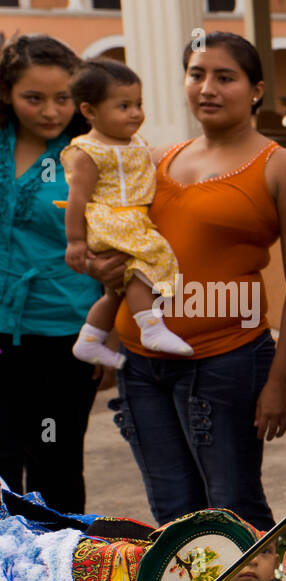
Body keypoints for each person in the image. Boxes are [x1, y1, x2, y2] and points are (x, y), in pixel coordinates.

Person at [101, 33, 286, 531]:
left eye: (225, 77)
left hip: (225, 362)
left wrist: (281, 380)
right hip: (140, 365)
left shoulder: (281, 166)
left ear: (256, 89)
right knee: (173, 515)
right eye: (197, 74)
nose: (208, 88)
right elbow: (124, 246)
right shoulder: (155, 158)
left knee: (234, 511)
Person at [0, 34, 104, 514]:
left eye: (62, 98)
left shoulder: (92, 157)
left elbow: (120, 244)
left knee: (55, 462)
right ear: (7, 93)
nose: (49, 111)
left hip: (65, 331)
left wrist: (113, 335)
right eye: (33, 98)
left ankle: (56, 576)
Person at [61, 58, 191, 368]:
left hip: (131, 217)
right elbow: (76, 200)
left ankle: (89, 339)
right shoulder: (89, 151)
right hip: (112, 220)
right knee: (147, 260)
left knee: (113, 294)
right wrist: (76, 242)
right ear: (89, 111)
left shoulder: (134, 142)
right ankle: (151, 327)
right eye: (123, 106)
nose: (136, 113)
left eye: (138, 104)